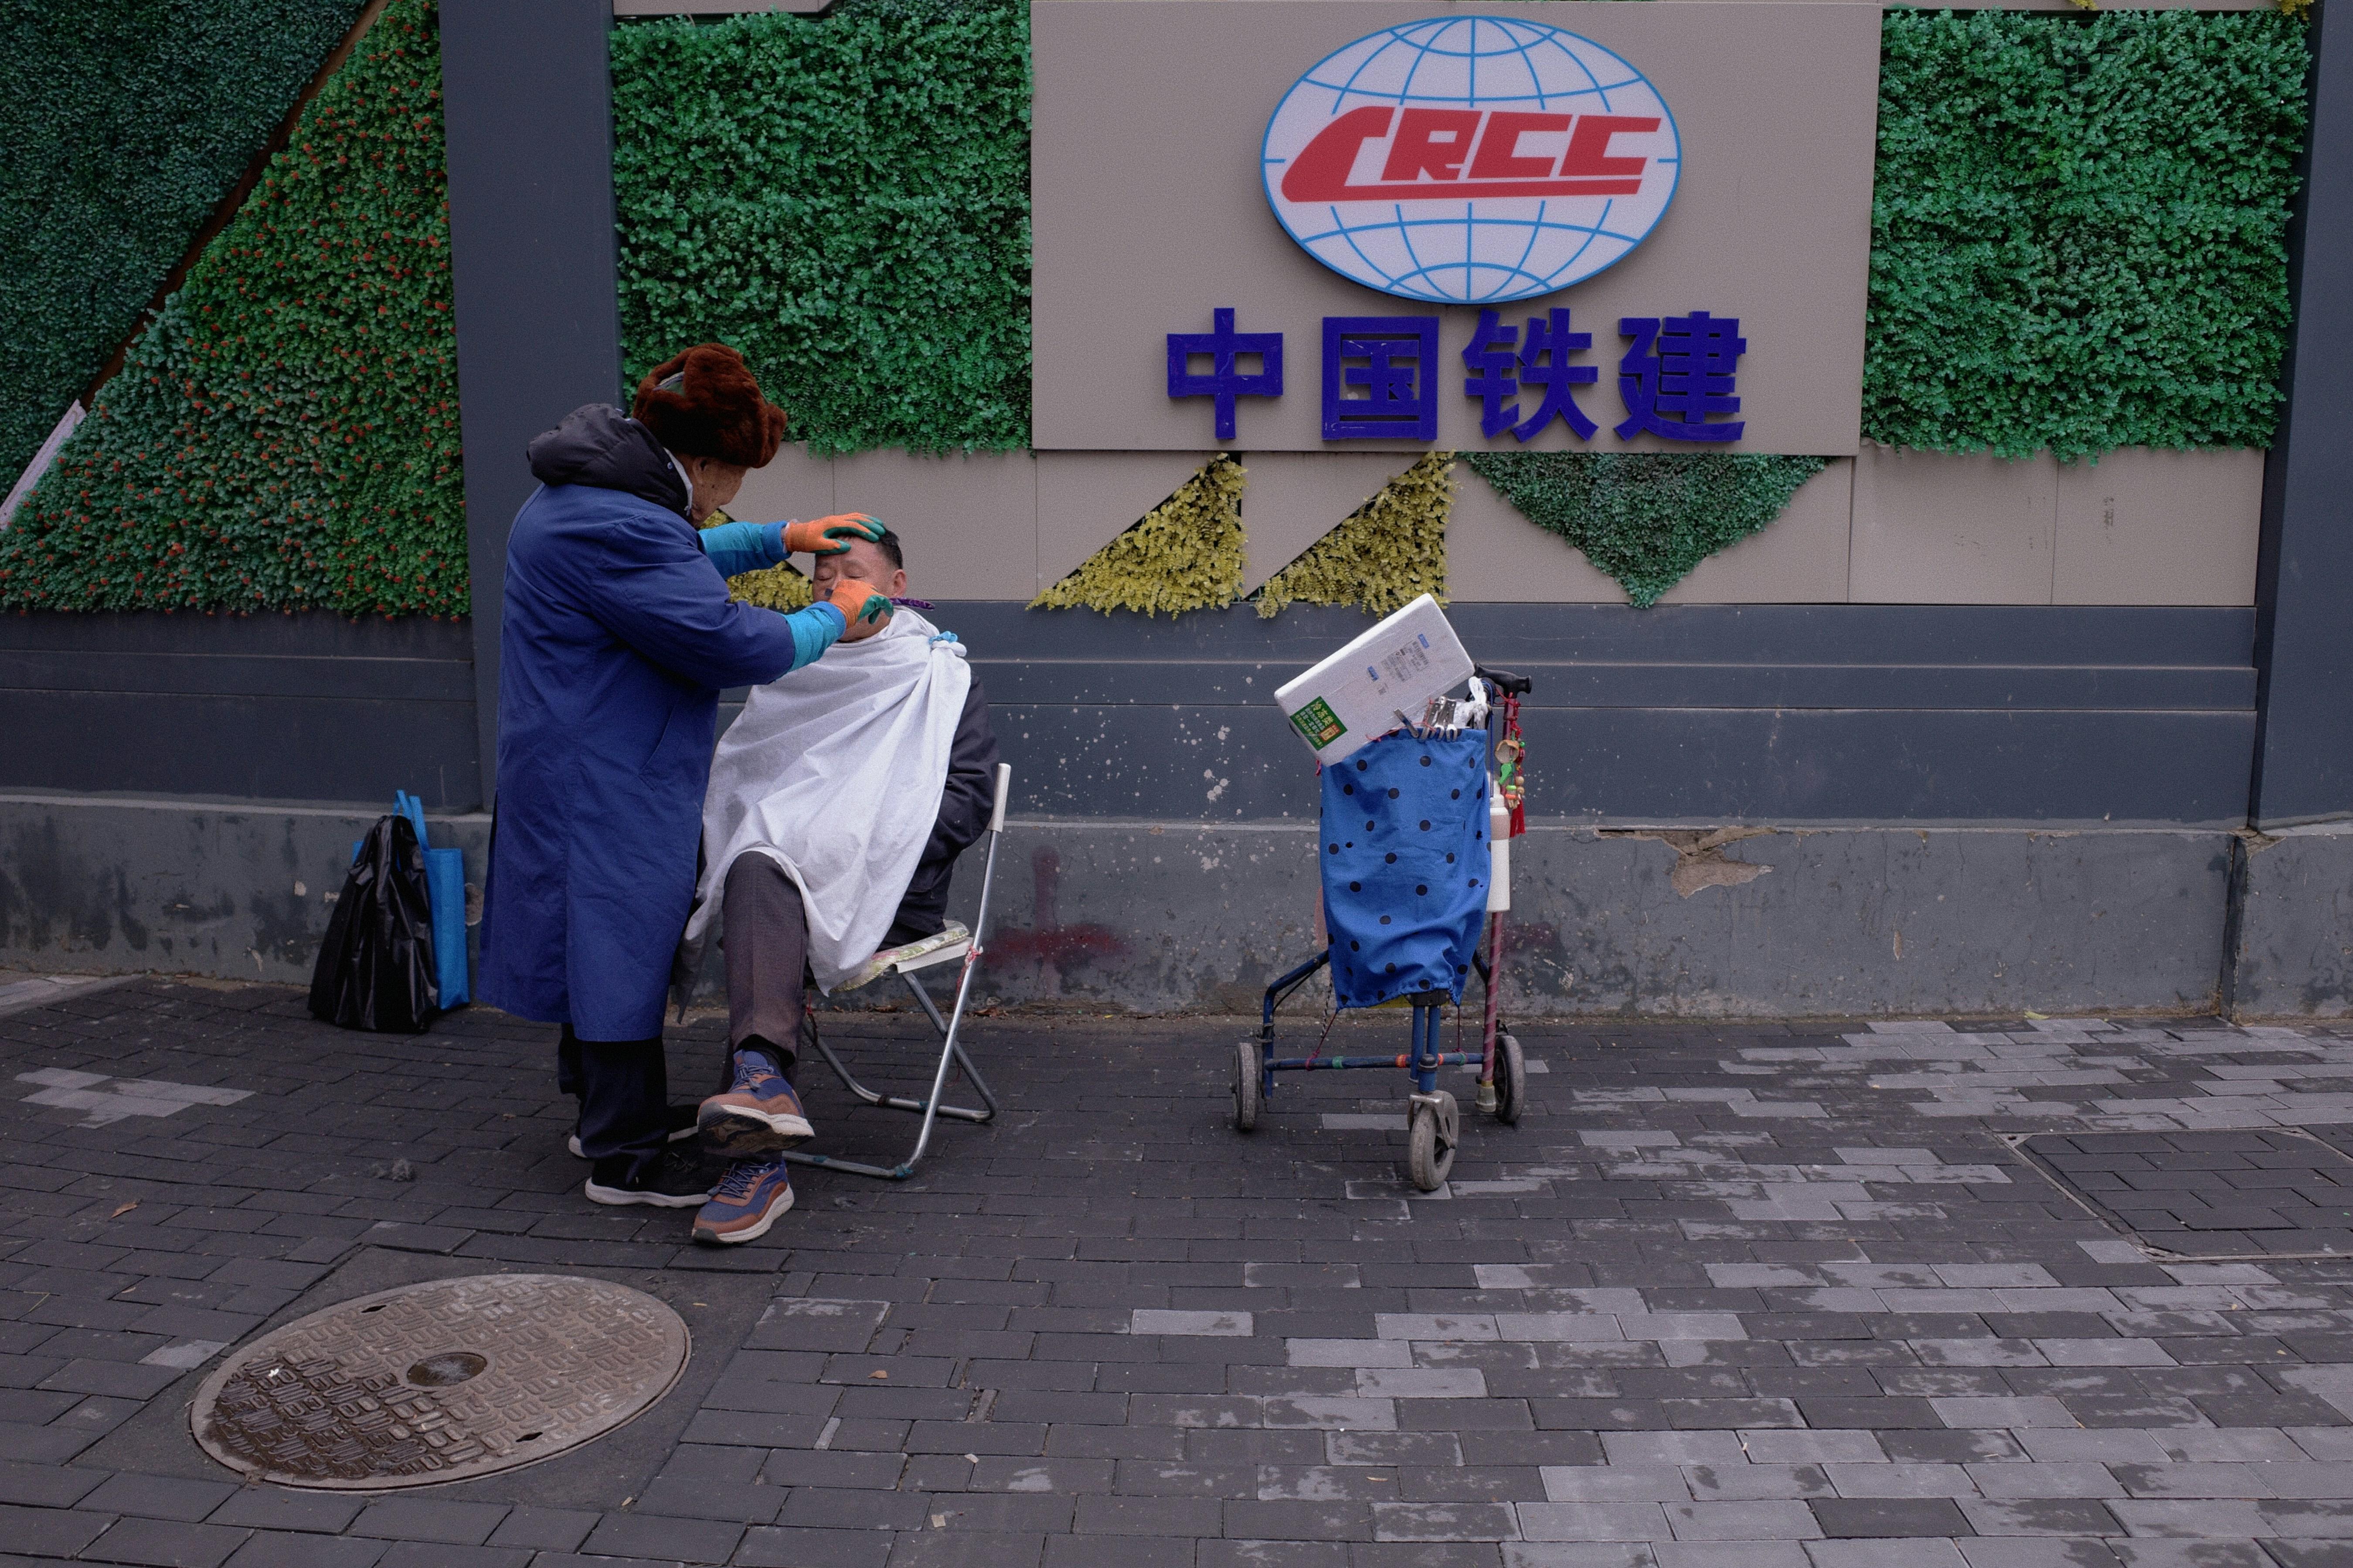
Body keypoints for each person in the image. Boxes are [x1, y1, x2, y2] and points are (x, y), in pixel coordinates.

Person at [478, 343, 897, 1211]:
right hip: (602, 774)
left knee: (593, 942)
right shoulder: (620, 522)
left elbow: (681, 557)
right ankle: (624, 1158)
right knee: (614, 942)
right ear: (702, 462)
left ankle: (605, 1112)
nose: (724, 501)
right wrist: (833, 615)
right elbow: (729, 639)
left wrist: (777, 538)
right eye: (730, 482)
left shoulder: (593, 492)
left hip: (578, 758)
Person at [680, 529, 1000, 1243]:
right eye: (822, 579)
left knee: (764, 877)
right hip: (775, 883)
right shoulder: (794, 667)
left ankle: (754, 1142)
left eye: (852, 574)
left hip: (888, 891)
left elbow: (967, 801)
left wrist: (855, 845)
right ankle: (748, 1090)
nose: (835, 590)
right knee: (749, 862)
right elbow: (746, 783)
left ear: (896, 580)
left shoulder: (936, 672)